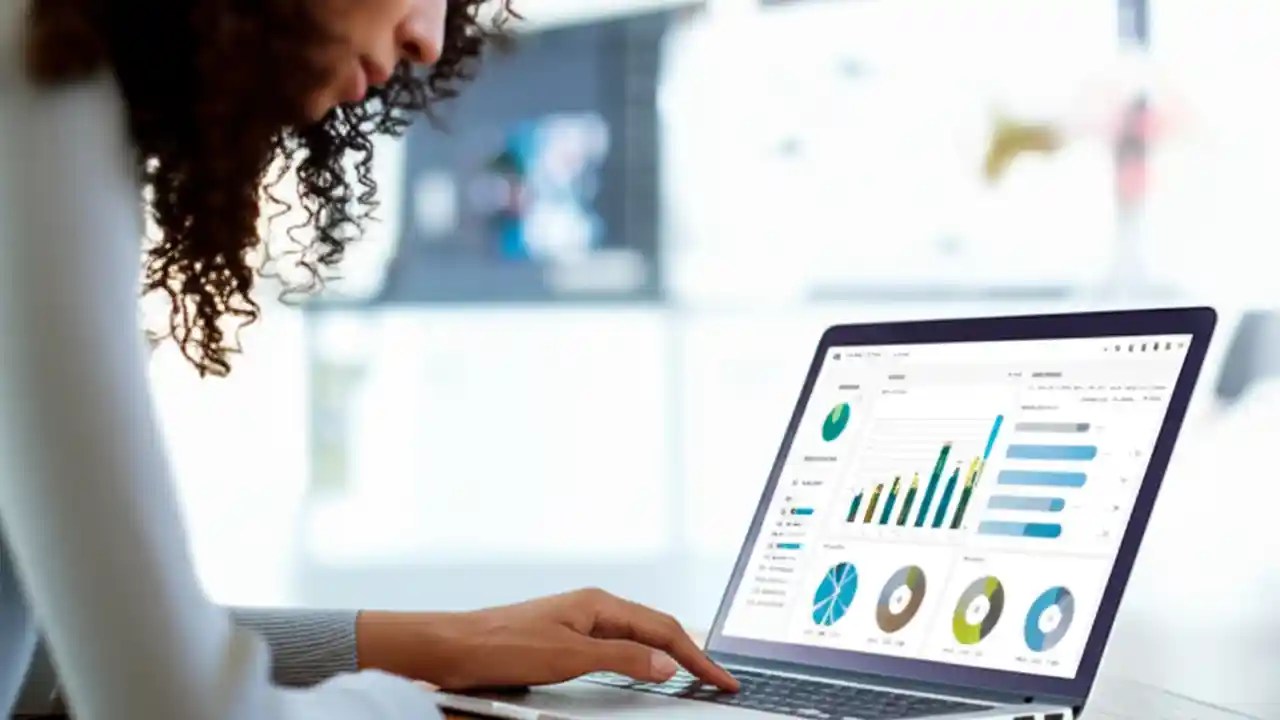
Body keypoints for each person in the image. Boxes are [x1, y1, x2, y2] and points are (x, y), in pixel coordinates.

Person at [0, 1, 738, 718]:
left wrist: (453, 643)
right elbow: (174, 708)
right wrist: (406, 705)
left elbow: (43, 654)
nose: (430, 38)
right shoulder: (43, 69)